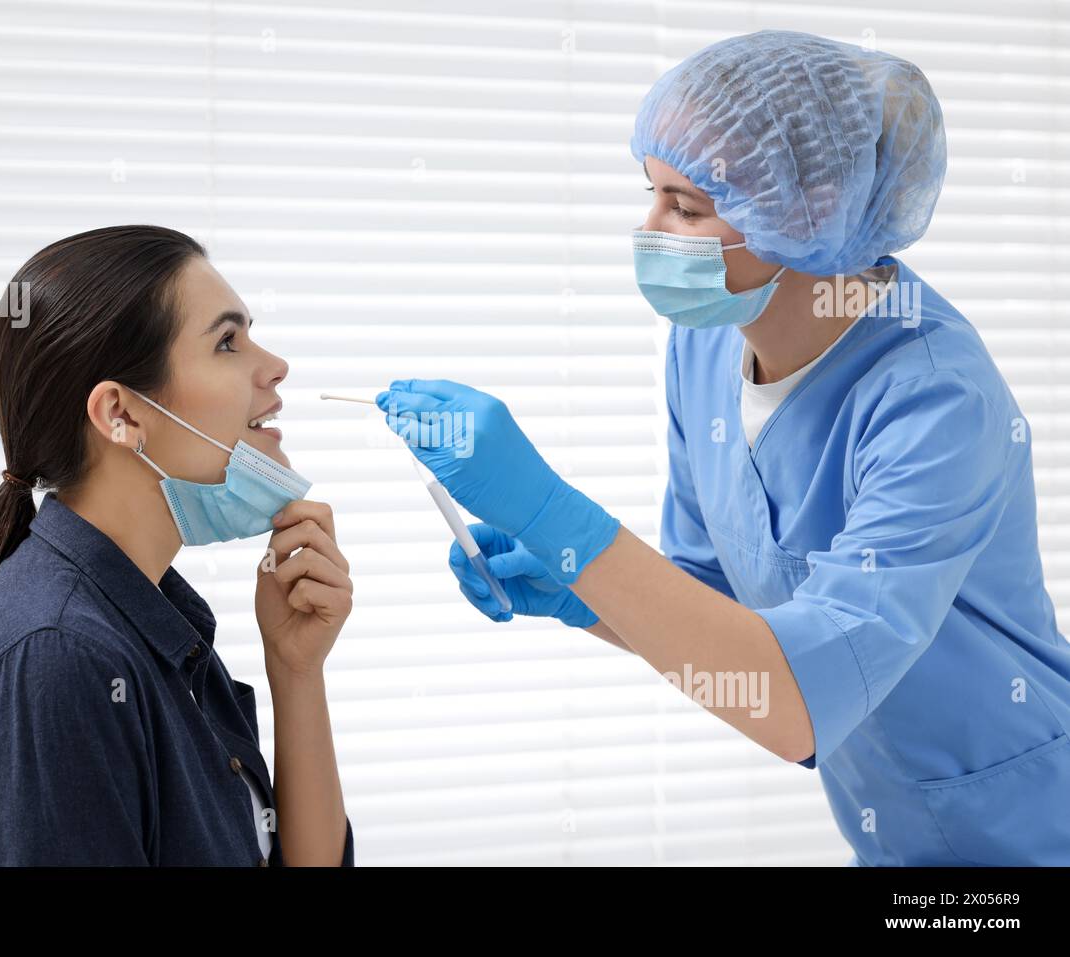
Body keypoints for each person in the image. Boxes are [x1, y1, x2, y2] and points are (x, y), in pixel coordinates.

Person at [376, 30, 1070, 866]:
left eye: (687, 206)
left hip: (1029, 829)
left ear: (807, 210)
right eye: (652, 193)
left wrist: (546, 505)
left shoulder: (934, 398)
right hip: (891, 834)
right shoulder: (706, 345)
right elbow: (706, 603)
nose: (649, 229)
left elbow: (795, 700)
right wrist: (574, 583)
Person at [0, 225, 354, 866]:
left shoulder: (153, 623)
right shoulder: (59, 655)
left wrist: (296, 672)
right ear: (121, 415)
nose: (274, 367)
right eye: (227, 342)